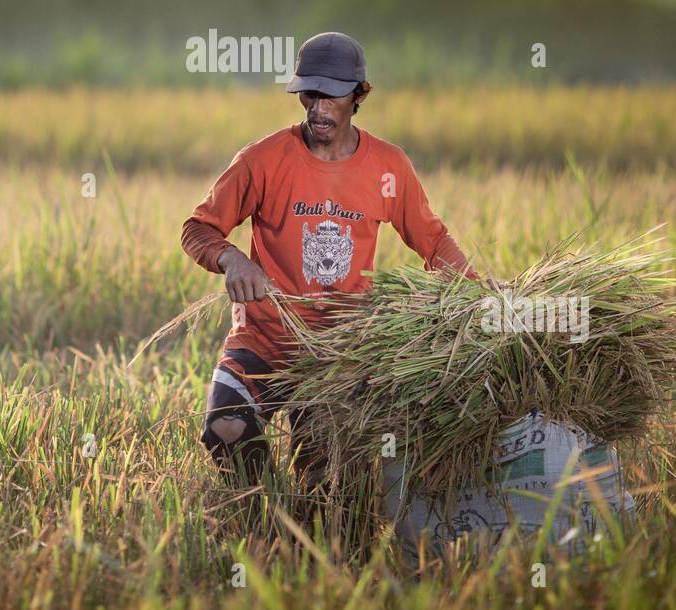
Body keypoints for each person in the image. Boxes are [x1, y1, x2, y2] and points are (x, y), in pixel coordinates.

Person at [180, 31, 484, 508]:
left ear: (359, 95)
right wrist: (232, 258)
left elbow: (433, 241)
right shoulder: (262, 160)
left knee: (329, 476)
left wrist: (479, 296)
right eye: (310, 93)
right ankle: (266, 523)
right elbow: (197, 229)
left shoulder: (388, 167)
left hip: (337, 351)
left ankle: (318, 537)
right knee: (226, 428)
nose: (318, 107)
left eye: (332, 95)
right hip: (264, 339)